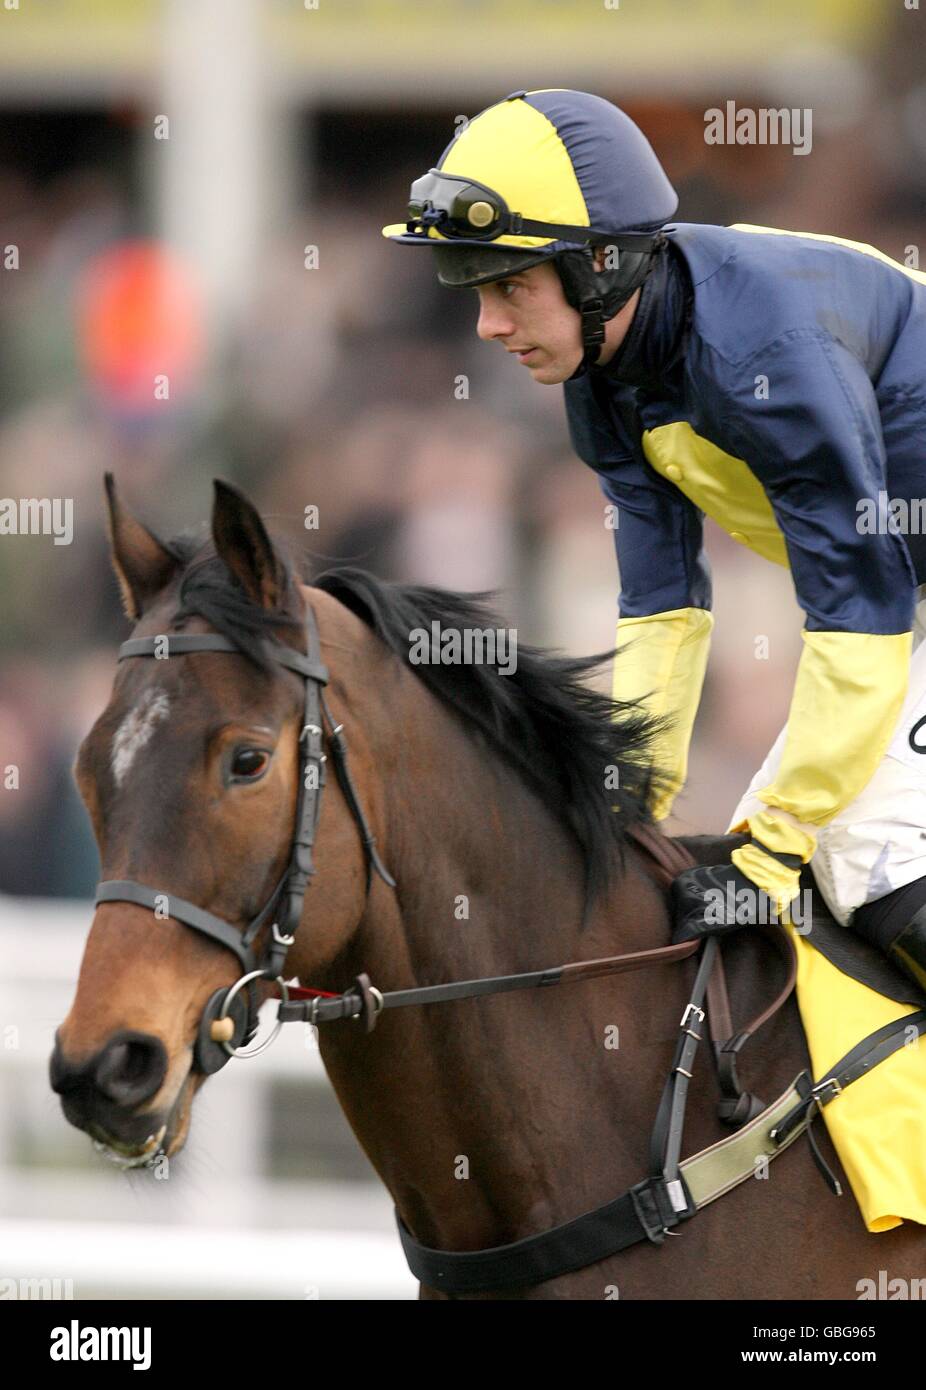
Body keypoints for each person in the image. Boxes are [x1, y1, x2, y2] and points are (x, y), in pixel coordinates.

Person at [381, 87, 926, 993]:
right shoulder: (604, 369)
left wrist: (774, 845)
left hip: (891, 598)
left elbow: (861, 616)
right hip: (904, 586)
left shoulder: (763, 357)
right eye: (478, 290)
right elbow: (662, 607)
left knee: (859, 851)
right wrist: (628, 800)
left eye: (511, 286)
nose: (489, 325)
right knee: (771, 849)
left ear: (601, 265)